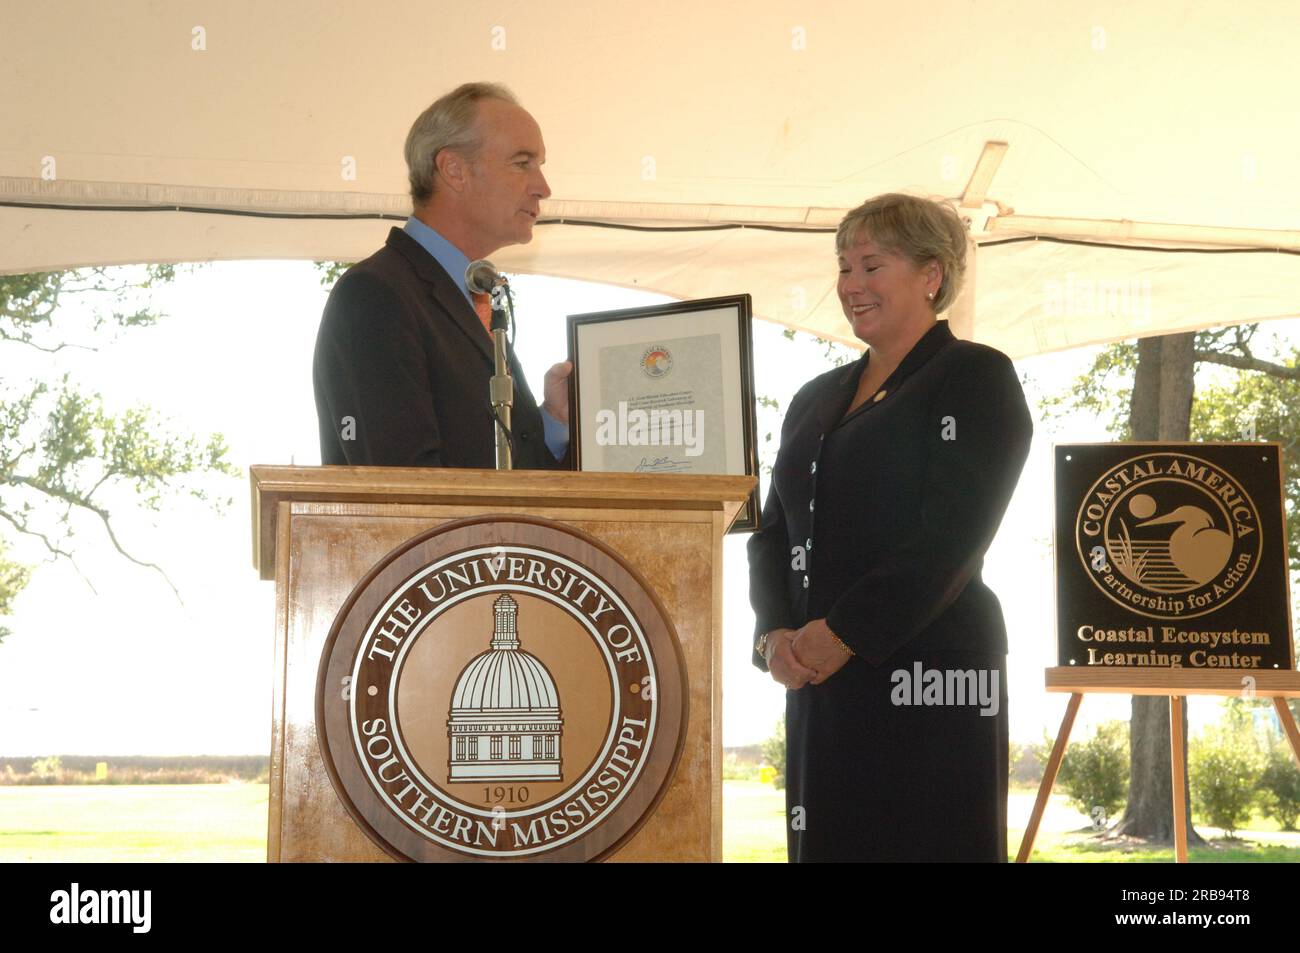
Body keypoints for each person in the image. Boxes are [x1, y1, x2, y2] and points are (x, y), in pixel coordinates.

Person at [748, 193, 1032, 862]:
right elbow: (772, 530)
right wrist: (774, 636)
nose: (850, 285)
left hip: (932, 676)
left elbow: (952, 536)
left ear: (932, 275)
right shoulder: (814, 396)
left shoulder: (973, 377)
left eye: (871, 266)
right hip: (819, 676)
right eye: (844, 267)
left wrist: (844, 632)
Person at [313, 82, 571, 469]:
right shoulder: (375, 295)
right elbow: (402, 489)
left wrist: (553, 420)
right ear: (454, 170)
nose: (543, 188)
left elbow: (494, 476)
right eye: (522, 163)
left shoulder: (473, 298)